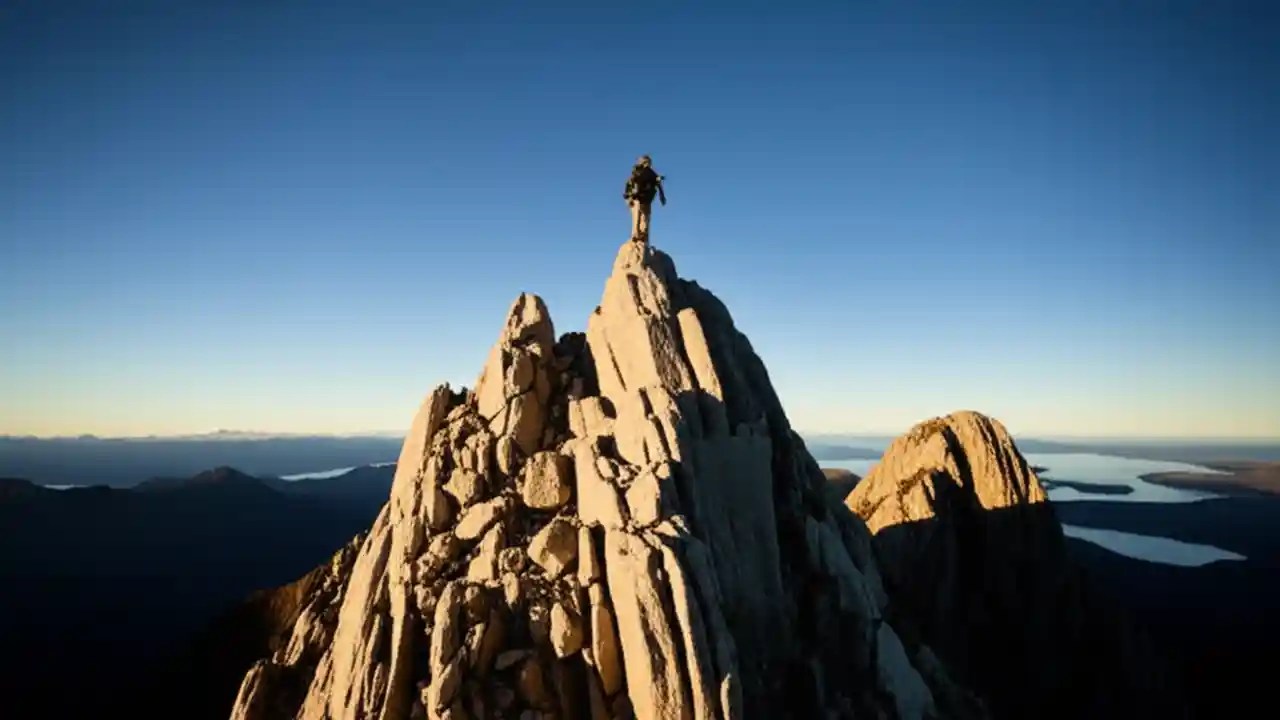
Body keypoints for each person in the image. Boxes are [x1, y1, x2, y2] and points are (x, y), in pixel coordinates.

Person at [623, 154, 665, 243]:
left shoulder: (650, 173)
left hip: (644, 199)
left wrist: (662, 196)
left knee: (644, 218)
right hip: (638, 198)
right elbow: (630, 184)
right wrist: (629, 196)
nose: (648, 164)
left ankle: (642, 236)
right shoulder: (638, 172)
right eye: (647, 162)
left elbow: (658, 183)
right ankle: (636, 235)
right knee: (639, 216)